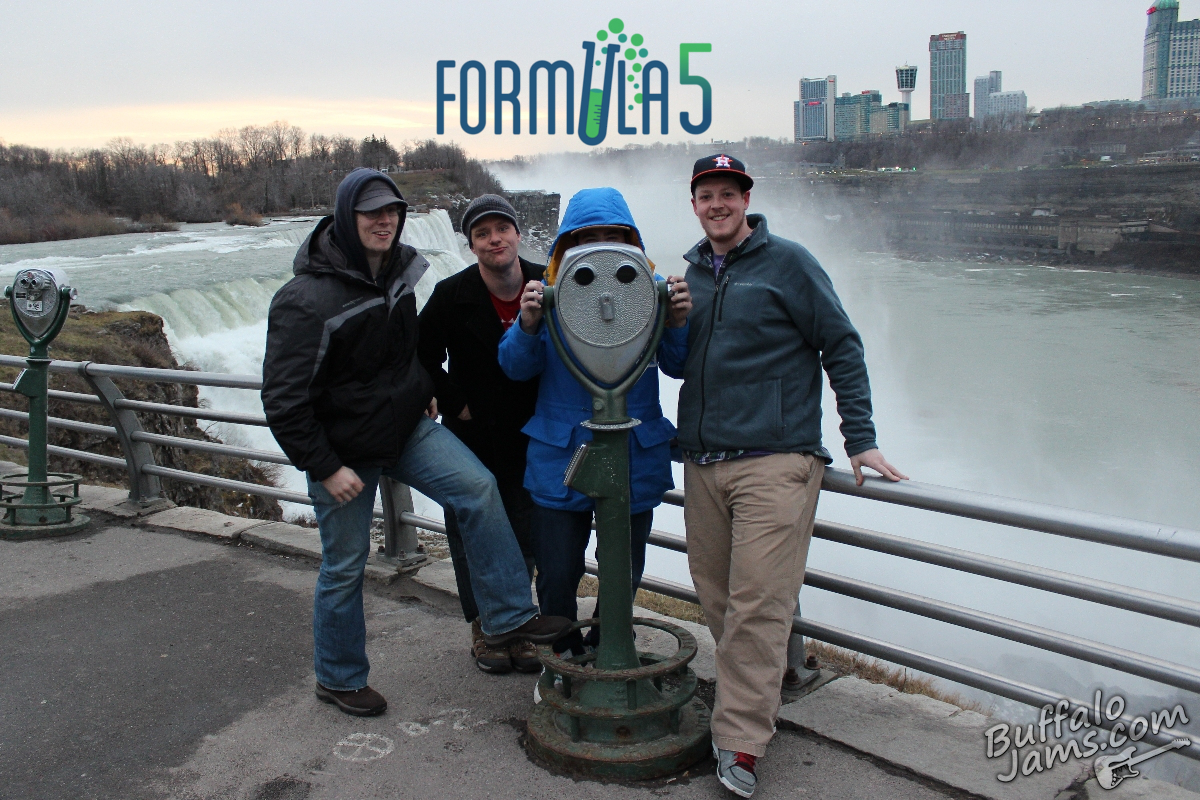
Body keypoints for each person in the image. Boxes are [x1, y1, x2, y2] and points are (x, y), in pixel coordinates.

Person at [261, 168, 569, 718]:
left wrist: (427, 390)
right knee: (345, 563)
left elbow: (408, 353)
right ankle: (338, 676)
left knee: (477, 487)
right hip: (344, 449)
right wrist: (325, 467)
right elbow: (284, 400)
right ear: (345, 218)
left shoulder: (399, 276)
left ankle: (506, 617)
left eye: (392, 212)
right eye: (371, 212)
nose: (385, 221)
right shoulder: (304, 298)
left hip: (404, 430)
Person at [677, 154, 907, 798]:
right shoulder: (690, 274)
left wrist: (858, 439)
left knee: (756, 604)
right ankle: (757, 691)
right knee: (717, 593)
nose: (718, 204)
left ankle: (741, 742)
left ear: (746, 199)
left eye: (729, 193)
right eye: (706, 194)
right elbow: (676, 365)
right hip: (703, 462)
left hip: (776, 461)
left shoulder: (790, 263)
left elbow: (842, 343)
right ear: (693, 204)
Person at [498, 187, 692, 657]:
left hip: (632, 453)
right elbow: (514, 368)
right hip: (561, 455)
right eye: (588, 237)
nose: (601, 245)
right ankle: (562, 656)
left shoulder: (650, 291)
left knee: (623, 568)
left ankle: (611, 647)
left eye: (613, 236)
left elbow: (677, 364)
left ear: (633, 241)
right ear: (565, 245)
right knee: (559, 567)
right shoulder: (552, 294)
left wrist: (678, 321)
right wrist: (527, 325)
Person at [418, 194, 543, 675]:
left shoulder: (546, 280)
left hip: (534, 428)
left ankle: (519, 622)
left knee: (525, 527)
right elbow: (422, 354)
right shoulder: (452, 294)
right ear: (471, 245)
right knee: (472, 528)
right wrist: (454, 401)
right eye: (482, 234)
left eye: (502, 229)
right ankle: (486, 627)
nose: (495, 240)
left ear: (516, 233)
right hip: (476, 435)